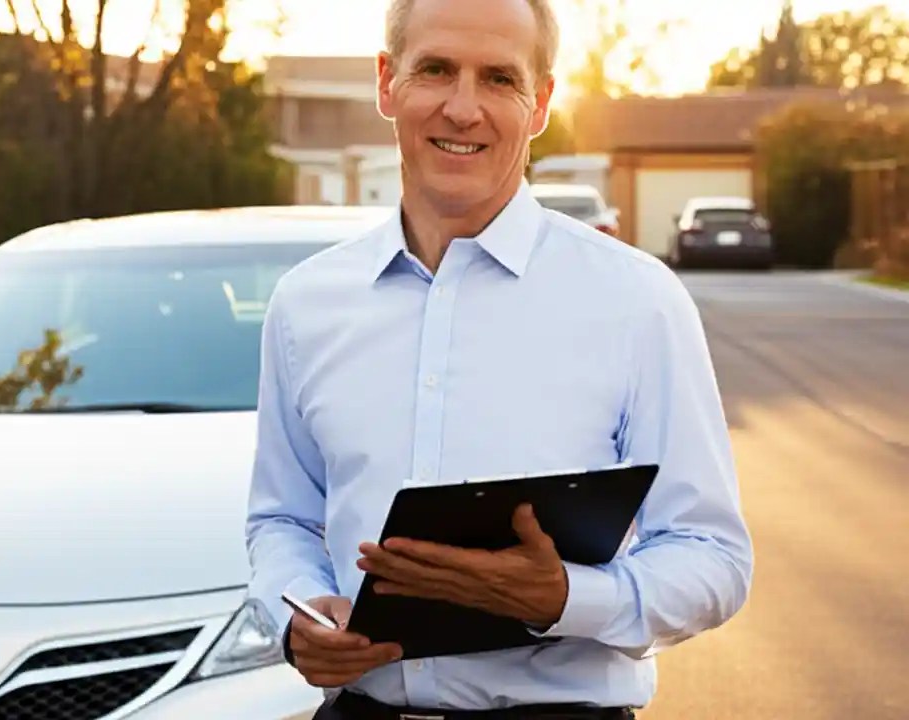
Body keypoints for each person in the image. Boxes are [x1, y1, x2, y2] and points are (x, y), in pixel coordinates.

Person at [244, 0, 754, 717]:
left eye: (499, 79)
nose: (462, 108)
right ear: (387, 83)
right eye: (436, 70)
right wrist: (295, 619)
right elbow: (282, 520)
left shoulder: (638, 302)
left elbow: (712, 556)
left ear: (541, 103)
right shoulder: (307, 304)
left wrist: (567, 599)